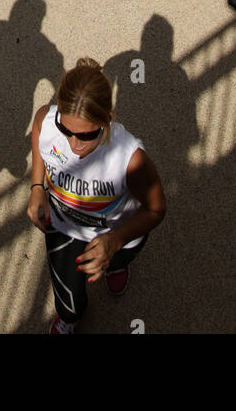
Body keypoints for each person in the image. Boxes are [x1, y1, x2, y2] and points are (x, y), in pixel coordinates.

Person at [28, 57, 166, 335]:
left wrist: (115, 242)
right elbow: (38, 134)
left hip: (117, 233)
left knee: (117, 260)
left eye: (87, 135)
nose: (75, 145)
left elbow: (156, 209)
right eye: (66, 131)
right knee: (67, 296)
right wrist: (36, 188)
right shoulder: (46, 119)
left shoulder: (130, 158)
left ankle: (116, 266)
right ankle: (70, 317)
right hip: (64, 228)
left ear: (108, 118)